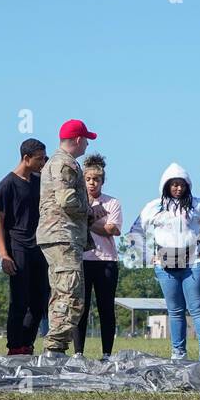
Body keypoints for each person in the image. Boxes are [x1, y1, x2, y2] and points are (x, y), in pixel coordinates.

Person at [137, 164, 200, 360]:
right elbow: (136, 231)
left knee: (198, 308)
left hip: (194, 263)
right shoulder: (154, 207)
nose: (178, 189)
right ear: (166, 185)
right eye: (174, 185)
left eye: (182, 185)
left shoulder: (198, 205)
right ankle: (178, 352)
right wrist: (148, 257)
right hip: (166, 264)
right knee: (175, 310)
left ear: (188, 185)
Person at [37, 119, 93, 357]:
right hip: (63, 234)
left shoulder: (57, 162)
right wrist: (90, 210)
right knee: (70, 292)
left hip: (58, 234)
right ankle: (55, 349)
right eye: (86, 141)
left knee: (62, 290)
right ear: (78, 140)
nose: (87, 146)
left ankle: (56, 347)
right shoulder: (64, 163)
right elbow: (67, 200)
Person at [0, 138, 50, 355]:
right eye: (39, 159)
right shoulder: (7, 184)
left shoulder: (39, 180)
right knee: (19, 300)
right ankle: (14, 346)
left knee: (39, 300)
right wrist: (3, 253)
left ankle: (27, 344)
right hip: (17, 247)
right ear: (26, 158)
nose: (43, 162)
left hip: (40, 248)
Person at [75, 153, 122, 360]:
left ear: (103, 181)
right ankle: (78, 353)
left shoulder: (112, 203)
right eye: (88, 179)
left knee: (106, 308)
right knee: (80, 308)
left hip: (106, 261)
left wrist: (84, 221)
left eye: (97, 179)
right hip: (82, 260)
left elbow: (112, 229)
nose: (92, 183)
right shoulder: (76, 202)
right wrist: (95, 221)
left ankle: (106, 354)